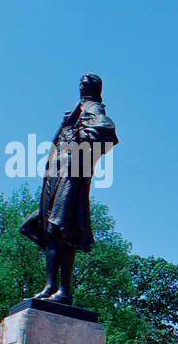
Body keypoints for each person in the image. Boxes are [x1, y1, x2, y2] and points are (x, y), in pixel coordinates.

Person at [19, 73, 118, 305]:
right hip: (56, 171)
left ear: (94, 89)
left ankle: (64, 291)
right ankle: (50, 286)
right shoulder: (74, 110)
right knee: (46, 229)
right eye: (80, 85)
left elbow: (107, 132)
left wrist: (81, 139)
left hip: (71, 174)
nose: (81, 88)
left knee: (61, 228)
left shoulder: (93, 108)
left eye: (85, 85)